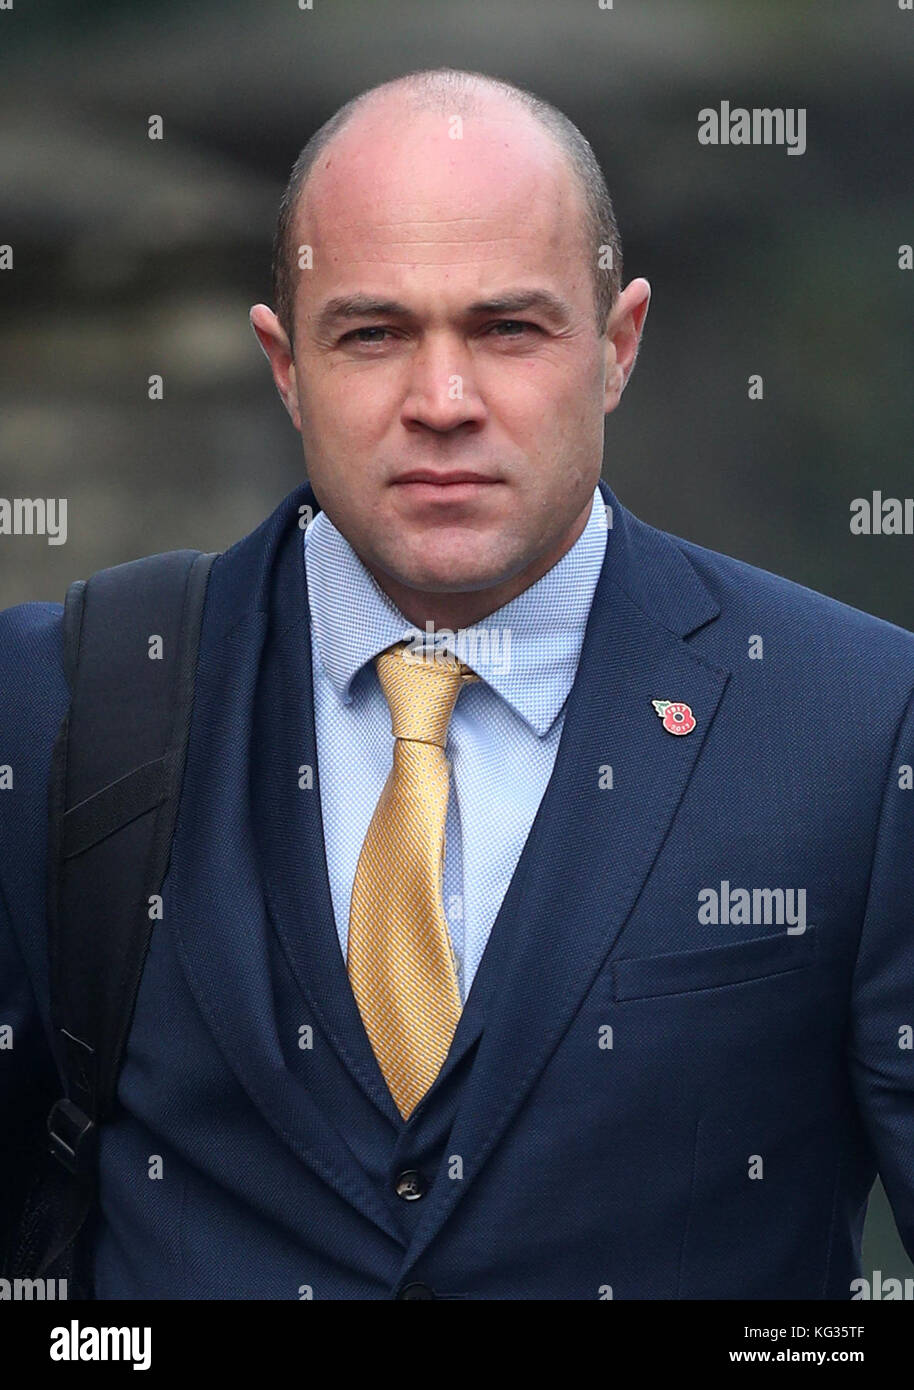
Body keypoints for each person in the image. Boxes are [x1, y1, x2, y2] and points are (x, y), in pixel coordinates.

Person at [1, 66, 913, 1300]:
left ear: (617, 344)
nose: (441, 402)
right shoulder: (57, 706)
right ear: (282, 363)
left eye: (506, 329)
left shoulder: (856, 727)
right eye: (372, 334)